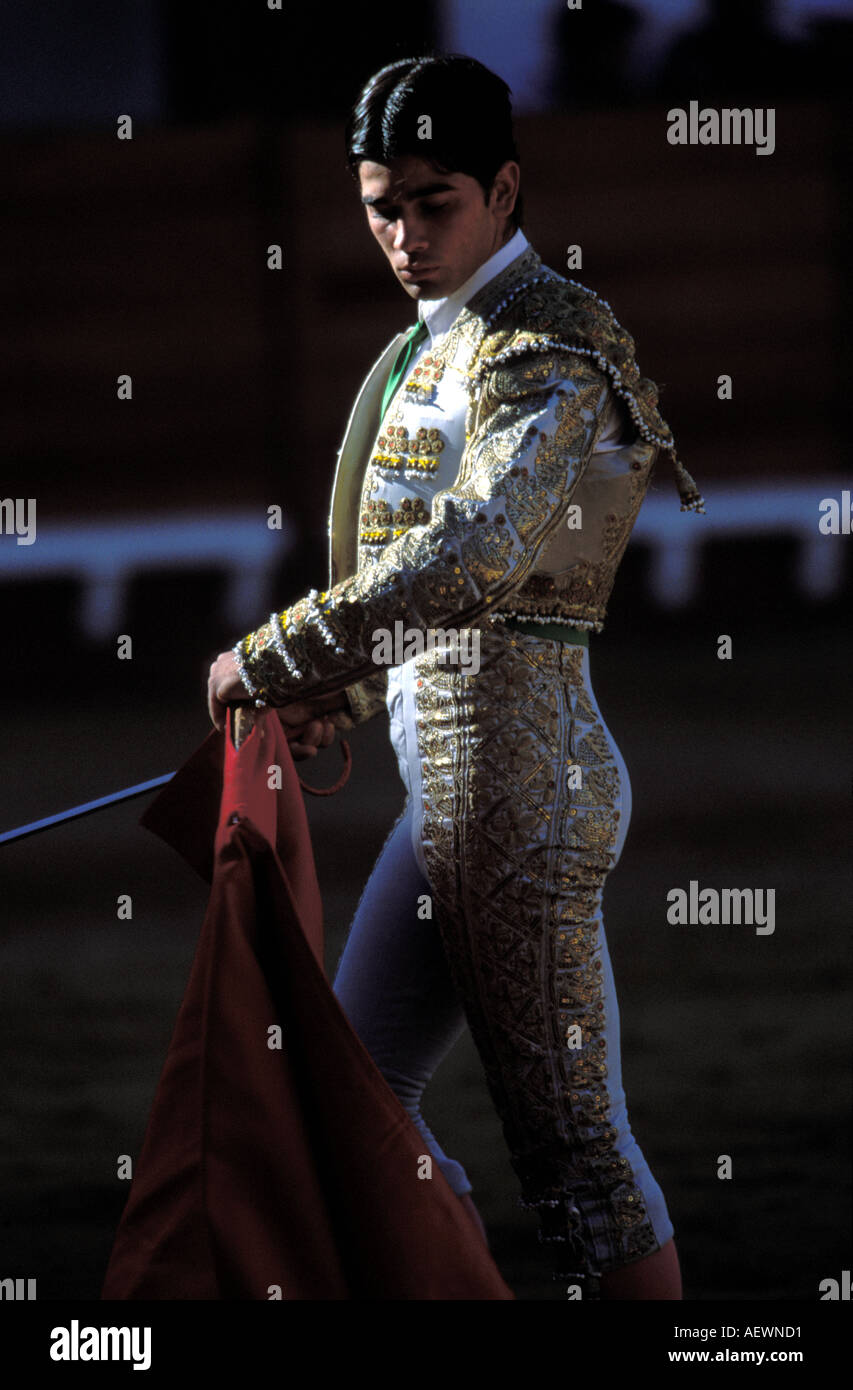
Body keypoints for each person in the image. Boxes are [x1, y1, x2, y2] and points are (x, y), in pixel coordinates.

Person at [207, 54, 703, 1300]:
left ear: (505, 187)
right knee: (362, 1101)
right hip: (460, 798)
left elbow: (478, 559)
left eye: (435, 203)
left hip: (522, 803)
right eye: (382, 205)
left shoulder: (546, 342)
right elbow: (432, 580)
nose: (404, 234)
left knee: (577, 1159)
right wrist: (345, 691)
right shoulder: (441, 346)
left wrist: (274, 657)